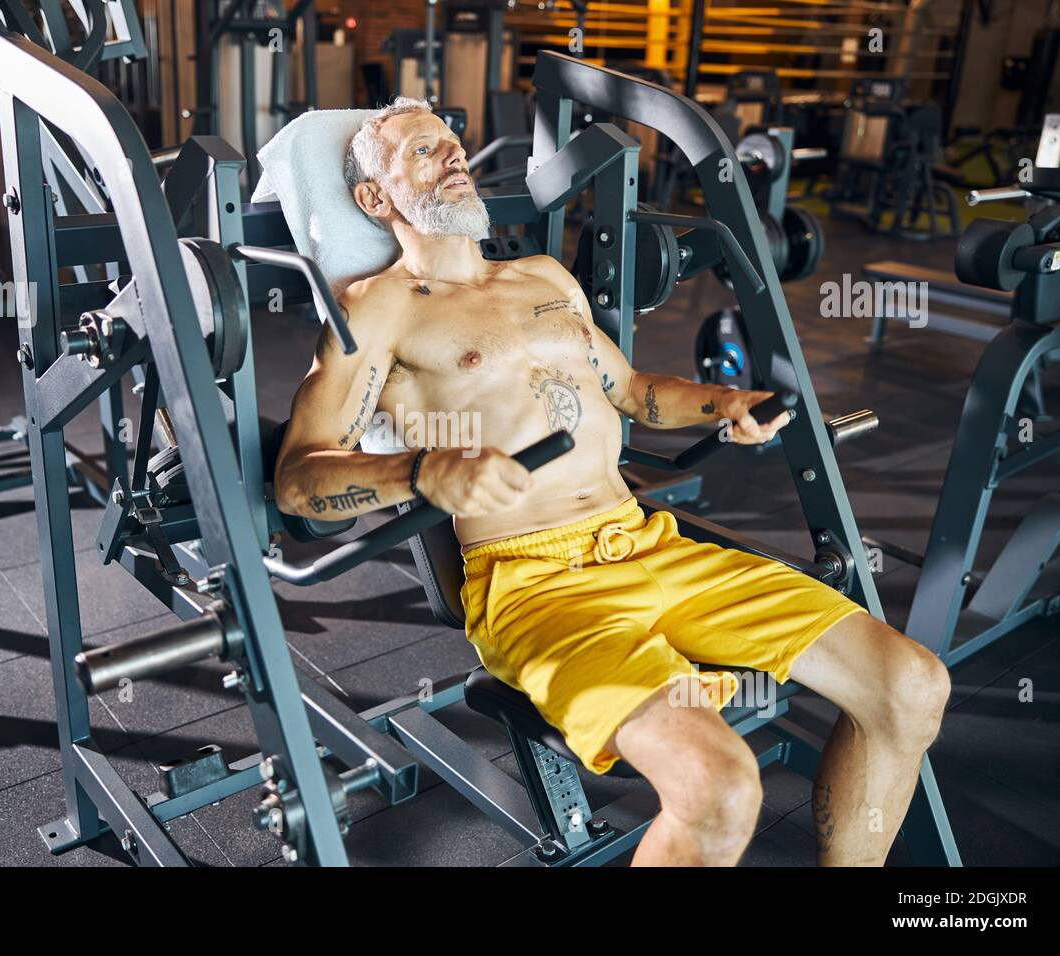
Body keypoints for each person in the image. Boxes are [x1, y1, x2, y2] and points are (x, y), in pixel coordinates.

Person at [273, 98, 951, 867]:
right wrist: (423, 468)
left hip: (648, 544)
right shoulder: (378, 310)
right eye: (424, 151)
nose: (454, 156)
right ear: (375, 199)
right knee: (721, 788)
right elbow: (300, 481)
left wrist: (723, 403)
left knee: (912, 684)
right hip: (538, 586)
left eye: (453, 145)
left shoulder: (542, 276)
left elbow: (633, 392)